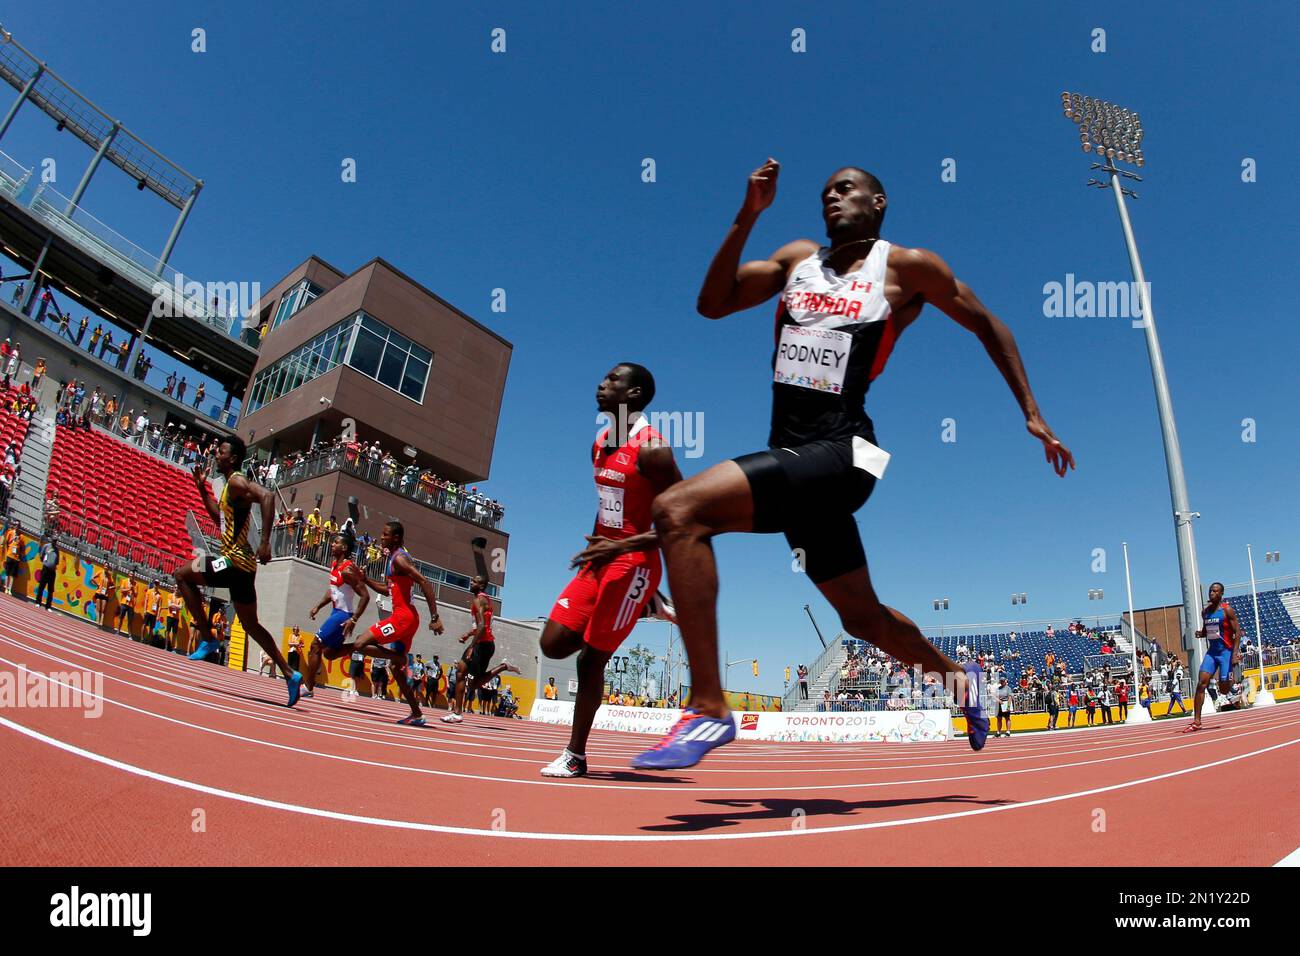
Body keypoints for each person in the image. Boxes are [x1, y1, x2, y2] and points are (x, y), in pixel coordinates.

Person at [632, 161, 1072, 769]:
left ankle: (708, 706)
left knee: (678, 509)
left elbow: (987, 323)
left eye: (845, 188)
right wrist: (748, 215)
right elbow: (713, 303)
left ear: (879, 199)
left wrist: (1032, 411)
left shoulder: (907, 267)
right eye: (824, 194)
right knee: (863, 620)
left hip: (848, 452)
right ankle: (960, 683)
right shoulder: (796, 260)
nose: (831, 198)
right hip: (793, 454)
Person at [536, 364, 682, 777]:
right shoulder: (600, 443)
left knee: (590, 663)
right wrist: (597, 542)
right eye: (603, 377)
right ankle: (647, 605)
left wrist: (621, 546)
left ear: (634, 395)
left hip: (633, 563)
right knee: (554, 643)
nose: (602, 383)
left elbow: (680, 520)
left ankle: (575, 755)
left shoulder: (653, 450)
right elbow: (608, 504)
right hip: (600, 558)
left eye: (613, 380)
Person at [174, 436, 305, 706]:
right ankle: (290, 674)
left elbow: (267, 495)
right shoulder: (228, 488)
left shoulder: (236, 481)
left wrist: (266, 541)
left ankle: (208, 638)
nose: (216, 454)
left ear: (232, 458)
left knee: (182, 574)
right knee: (250, 624)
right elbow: (218, 519)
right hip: (242, 566)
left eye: (221, 451)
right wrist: (202, 491)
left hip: (234, 561)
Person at [352, 520, 445, 724]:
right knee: (395, 669)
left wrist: (435, 617)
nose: (382, 537)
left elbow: (424, 581)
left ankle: (400, 658)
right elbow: (389, 590)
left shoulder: (400, 559)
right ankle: (417, 713)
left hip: (402, 619)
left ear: (395, 537)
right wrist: (366, 580)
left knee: (360, 643)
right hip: (407, 619)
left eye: (385, 534)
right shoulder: (393, 558)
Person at [443, 574, 521, 723]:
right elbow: (480, 626)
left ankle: (503, 667)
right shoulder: (485, 599)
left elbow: (482, 626)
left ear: (482, 586)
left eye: (474, 582)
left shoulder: (479, 600)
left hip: (482, 645)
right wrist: (467, 635)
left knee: (473, 684)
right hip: (482, 643)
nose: (471, 583)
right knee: (460, 673)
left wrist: (472, 646)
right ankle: (457, 713)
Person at [301, 532, 370, 698]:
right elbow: (332, 591)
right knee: (330, 653)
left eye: (336, 542)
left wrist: (353, 620)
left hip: (343, 615)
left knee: (316, 645)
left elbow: (366, 596)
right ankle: (359, 646)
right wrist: (318, 606)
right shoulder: (334, 565)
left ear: (344, 548)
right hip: (335, 612)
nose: (332, 544)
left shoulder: (347, 570)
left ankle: (308, 687)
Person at [1186, 582, 1242, 732]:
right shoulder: (1205, 612)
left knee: (1223, 690)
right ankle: (1197, 721)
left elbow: (1238, 632)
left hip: (1226, 652)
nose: (1212, 593)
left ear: (1221, 594)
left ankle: (1234, 686)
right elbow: (1208, 630)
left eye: (1215, 591)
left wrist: (1234, 654)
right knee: (1201, 684)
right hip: (1212, 653)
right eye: (1211, 591)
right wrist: (1201, 633)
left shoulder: (1227, 611)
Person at [33, 534, 59, 610]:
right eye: (54, 540)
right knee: (41, 586)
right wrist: (46, 563)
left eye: (56, 541)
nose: (55, 542)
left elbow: (57, 561)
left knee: (50, 589)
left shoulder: (57, 550)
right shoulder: (46, 546)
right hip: (45, 569)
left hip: (52, 571)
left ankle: (48, 606)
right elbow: (41, 556)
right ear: (51, 540)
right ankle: (38, 602)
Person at [1, 520, 24, 596]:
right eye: (16, 525)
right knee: (7, 572)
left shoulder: (21, 536)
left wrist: (19, 556)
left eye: (18, 526)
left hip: (16, 558)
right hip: (9, 555)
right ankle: (6, 588)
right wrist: (8, 551)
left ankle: (9, 589)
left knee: (12, 575)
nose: (17, 527)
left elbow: (22, 548)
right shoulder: (10, 533)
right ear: (14, 526)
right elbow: (6, 543)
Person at [115, 573, 138, 637]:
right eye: (130, 574)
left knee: (130, 620)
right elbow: (121, 590)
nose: (131, 575)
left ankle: (130, 635)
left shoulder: (136, 584)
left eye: (133, 575)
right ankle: (118, 631)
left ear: (134, 576)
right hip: (124, 602)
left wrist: (133, 590)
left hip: (131, 604)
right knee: (121, 617)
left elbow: (136, 595)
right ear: (129, 575)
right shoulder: (124, 581)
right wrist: (128, 589)